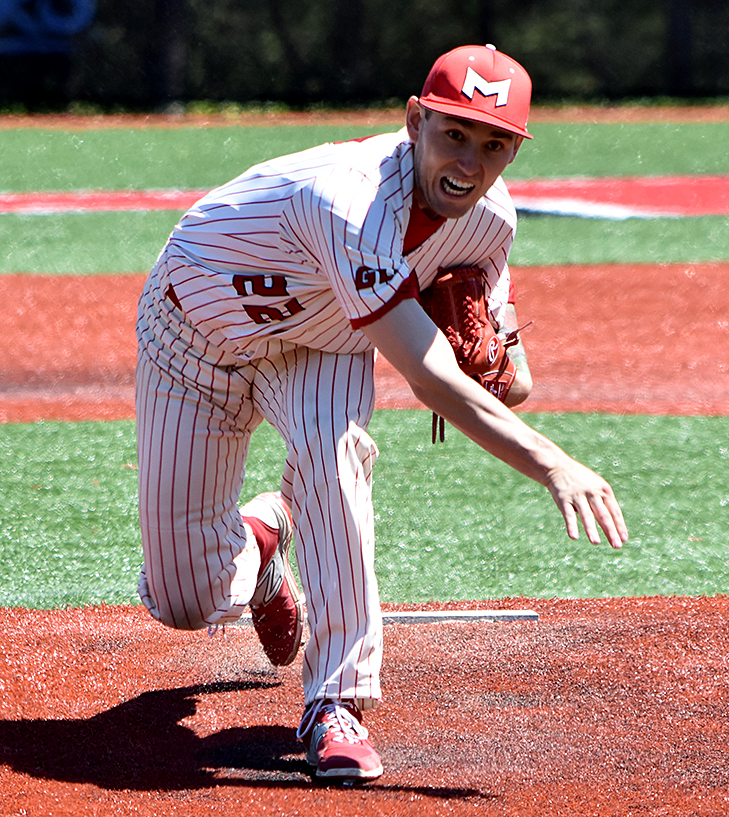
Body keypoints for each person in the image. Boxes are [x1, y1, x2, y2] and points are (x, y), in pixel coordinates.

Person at [133, 44, 627, 782]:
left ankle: (336, 703)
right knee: (181, 600)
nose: (469, 161)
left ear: (515, 152)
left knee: (335, 462)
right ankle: (263, 543)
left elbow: (509, 374)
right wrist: (552, 463)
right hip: (192, 335)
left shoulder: (489, 222)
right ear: (415, 120)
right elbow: (429, 378)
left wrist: (499, 369)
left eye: (494, 145)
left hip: (323, 347)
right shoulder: (350, 200)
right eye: (454, 133)